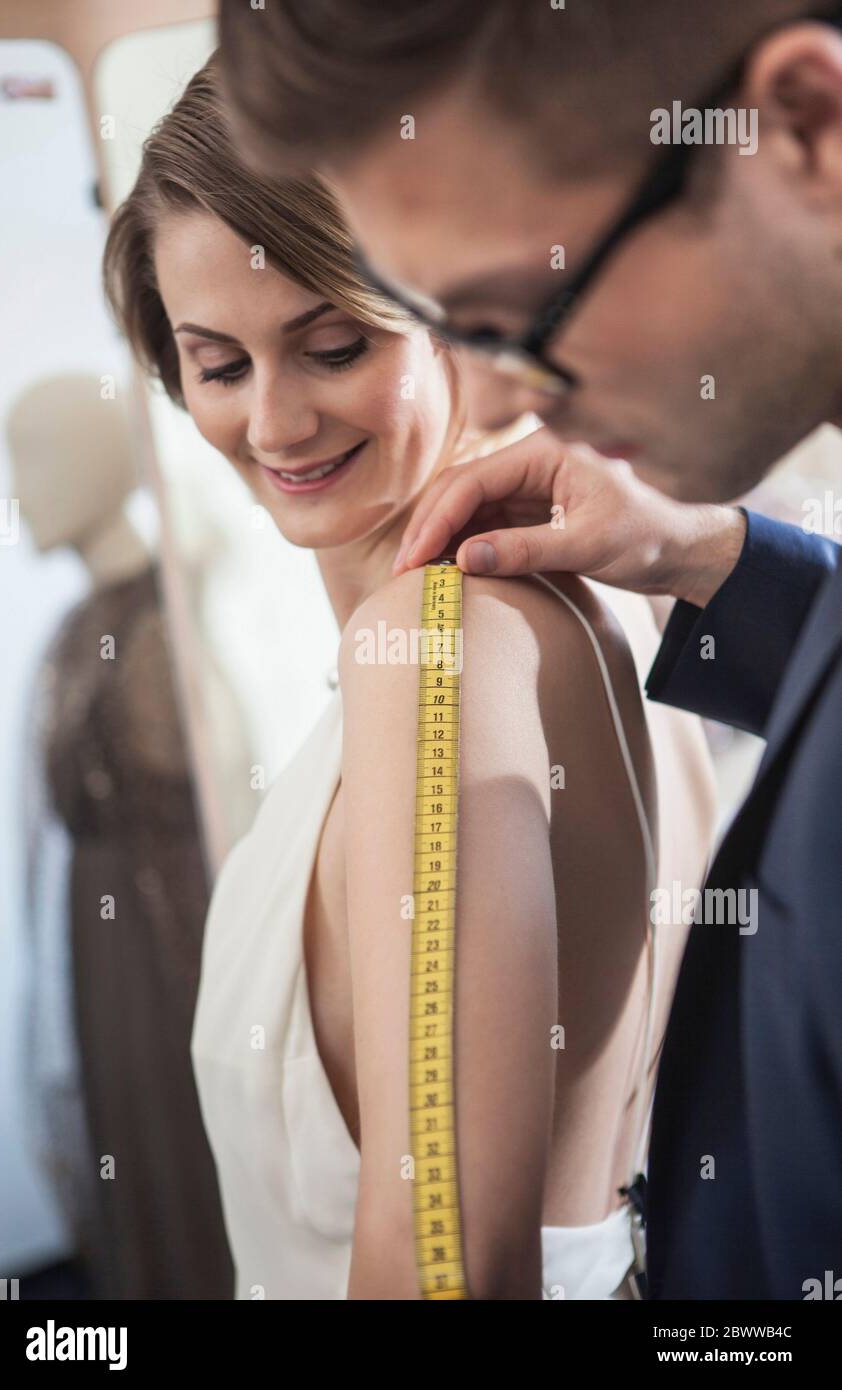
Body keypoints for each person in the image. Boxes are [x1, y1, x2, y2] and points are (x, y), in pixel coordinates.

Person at [215, 0, 842, 1298]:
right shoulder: (680, 572)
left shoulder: (442, 655)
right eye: (207, 360)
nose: (492, 397)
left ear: (805, 130)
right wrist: (715, 558)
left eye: (515, 310)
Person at [103, 57, 715, 1299]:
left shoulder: (429, 653)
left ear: (465, 317)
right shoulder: (601, 604)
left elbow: (444, 1273)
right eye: (218, 366)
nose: (272, 426)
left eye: (331, 347)